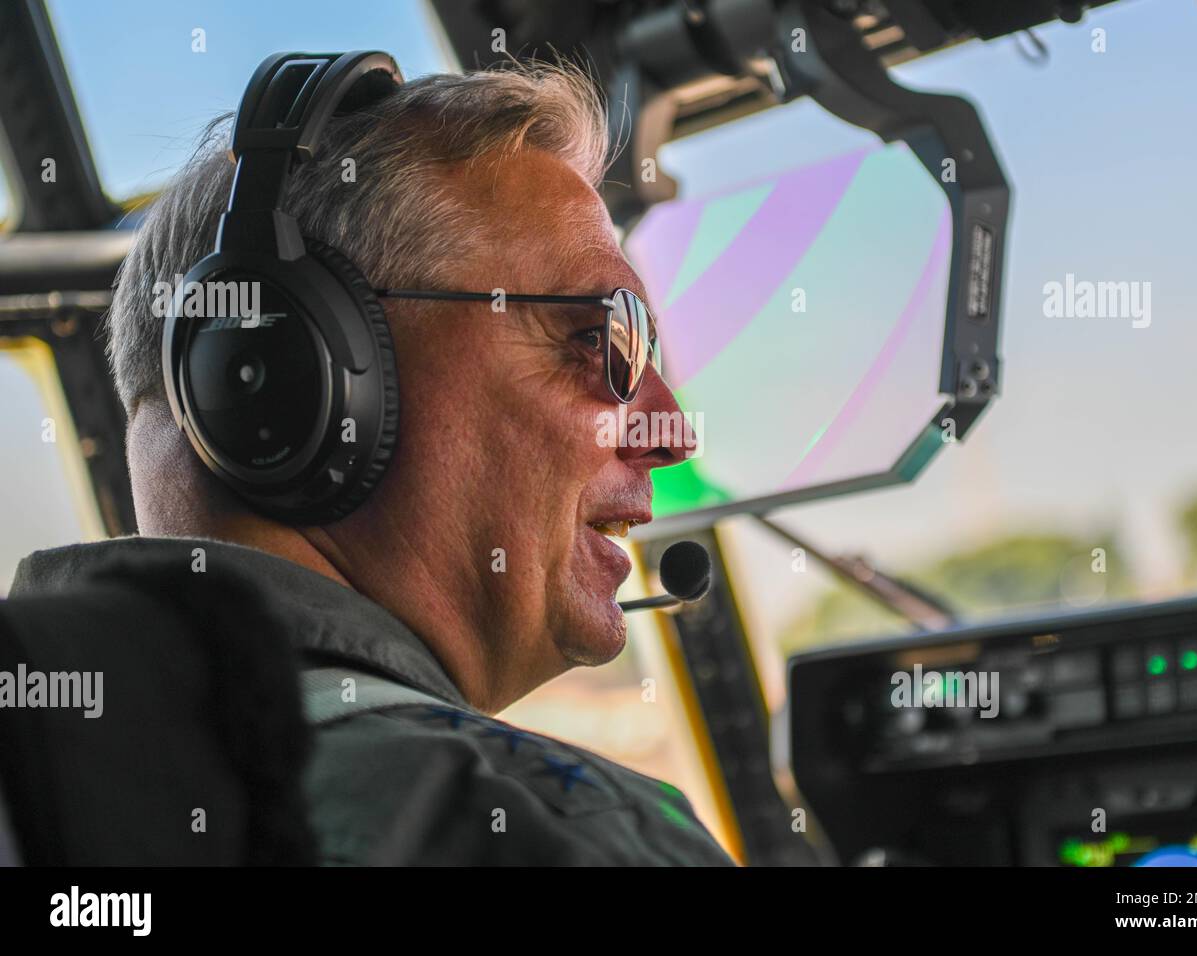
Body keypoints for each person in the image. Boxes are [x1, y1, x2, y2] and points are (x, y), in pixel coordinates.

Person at [9, 59, 732, 865]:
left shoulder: (48, 770)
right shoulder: (553, 832)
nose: (670, 431)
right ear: (287, 376)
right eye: (608, 341)